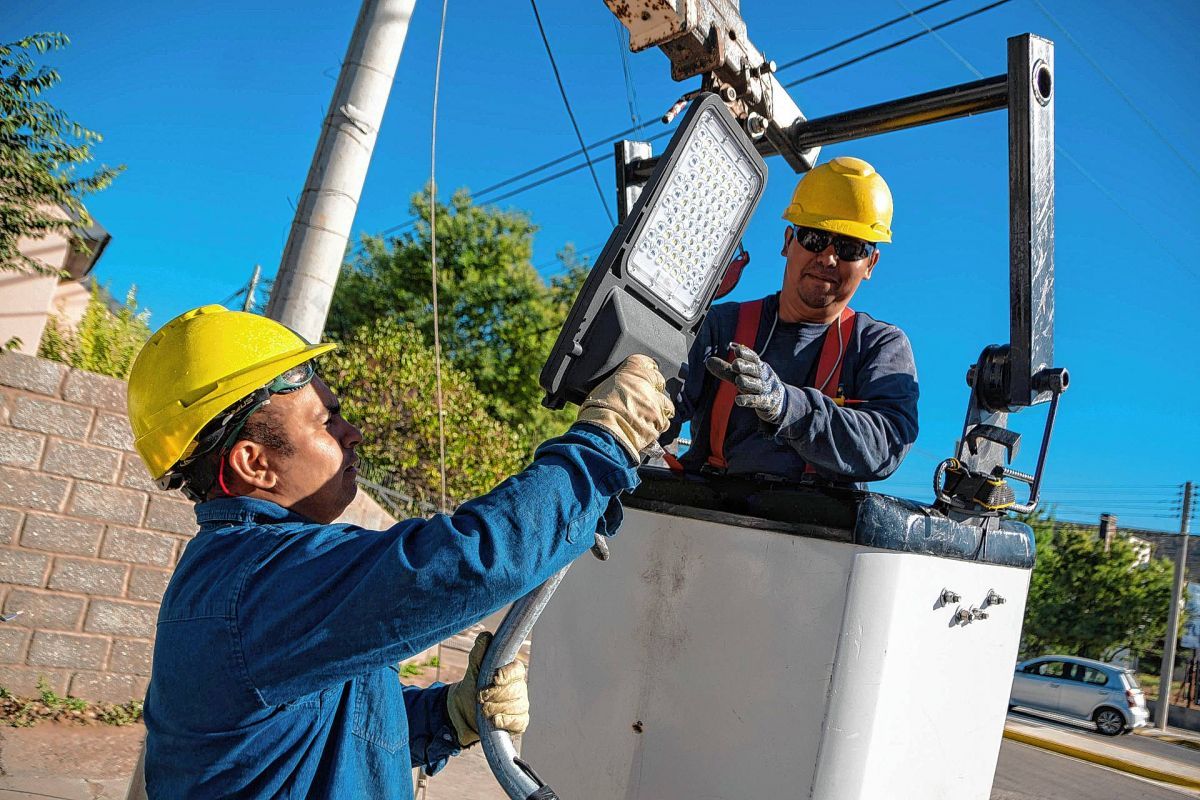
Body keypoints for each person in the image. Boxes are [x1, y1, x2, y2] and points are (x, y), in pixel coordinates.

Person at [124, 305, 673, 799]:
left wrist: (450, 715)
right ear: (253, 462)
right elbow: (468, 559)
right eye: (326, 421)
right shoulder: (263, 582)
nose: (353, 432)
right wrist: (608, 440)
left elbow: (328, 730)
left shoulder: (258, 579)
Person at [661, 156, 918, 487]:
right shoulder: (721, 326)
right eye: (812, 237)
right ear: (787, 242)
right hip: (709, 513)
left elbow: (887, 443)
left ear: (870, 264)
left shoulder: (878, 346)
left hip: (813, 527)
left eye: (849, 247)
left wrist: (787, 406)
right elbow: (659, 404)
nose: (827, 257)